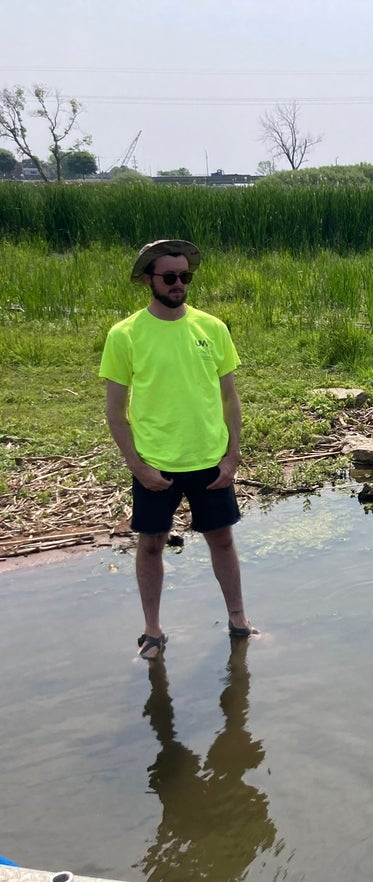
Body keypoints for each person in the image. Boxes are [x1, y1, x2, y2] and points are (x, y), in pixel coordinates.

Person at [99, 239, 256, 660]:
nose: (178, 284)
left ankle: (239, 621)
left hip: (209, 460)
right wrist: (137, 466)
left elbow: (229, 399)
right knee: (151, 544)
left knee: (222, 540)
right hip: (155, 463)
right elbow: (115, 412)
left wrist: (232, 455)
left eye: (185, 276)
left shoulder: (213, 328)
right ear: (149, 279)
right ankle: (152, 630)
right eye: (169, 277)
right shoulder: (125, 335)